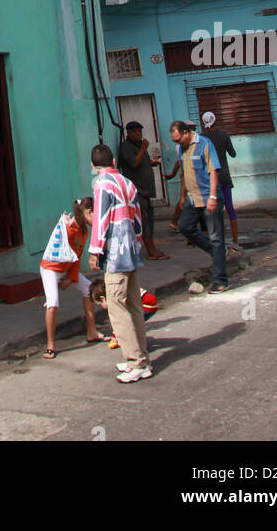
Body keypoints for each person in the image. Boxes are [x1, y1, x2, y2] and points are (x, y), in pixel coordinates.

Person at [88, 143, 152, 382]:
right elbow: (137, 217)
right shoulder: (128, 183)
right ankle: (141, 359)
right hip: (132, 253)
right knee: (134, 306)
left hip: (115, 256)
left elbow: (100, 220)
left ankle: (134, 362)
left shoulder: (102, 185)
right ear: (113, 161)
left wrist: (95, 251)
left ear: (93, 166)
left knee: (117, 309)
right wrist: (137, 244)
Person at [169, 119, 228, 291]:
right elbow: (183, 173)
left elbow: (213, 170)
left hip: (209, 198)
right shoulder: (181, 149)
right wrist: (182, 196)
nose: (177, 143)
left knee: (216, 236)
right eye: (174, 141)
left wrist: (212, 197)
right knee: (185, 227)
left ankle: (221, 280)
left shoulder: (204, 144)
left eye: (179, 139)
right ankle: (216, 252)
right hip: (192, 199)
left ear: (186, 133)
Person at [39, 196, 102, 357]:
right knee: (52, 302)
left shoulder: (84, 232)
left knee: (89, 289)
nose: (97, 220)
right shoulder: (66, 228)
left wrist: (71, 278)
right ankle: (50, 344)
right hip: (50, 269)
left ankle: (92, 331)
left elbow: (77, 256)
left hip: (67, 269)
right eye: (95, 215)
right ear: (88, 212)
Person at [117, 120, 169, 260]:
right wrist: (144, 148)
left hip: (147, 191)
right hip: (137, 191)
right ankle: (151, 251)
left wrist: (151, 163)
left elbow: (141, 162)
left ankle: (152, 248)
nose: (139, 134)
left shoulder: (139, 146)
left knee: (149, 220)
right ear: (129, 133)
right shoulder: (127, 147)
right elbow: (134, 163)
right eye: (135, 132)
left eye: (140, 131)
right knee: (143, 222)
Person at [200, 111, 239, 249]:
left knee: (212, 210)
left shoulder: (202, 138)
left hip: (210, 177)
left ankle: (216, 241)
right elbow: (233, 154)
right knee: (229, 207)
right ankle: (235, 240)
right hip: (224, 174)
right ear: (215, 121)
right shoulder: (223, 135)